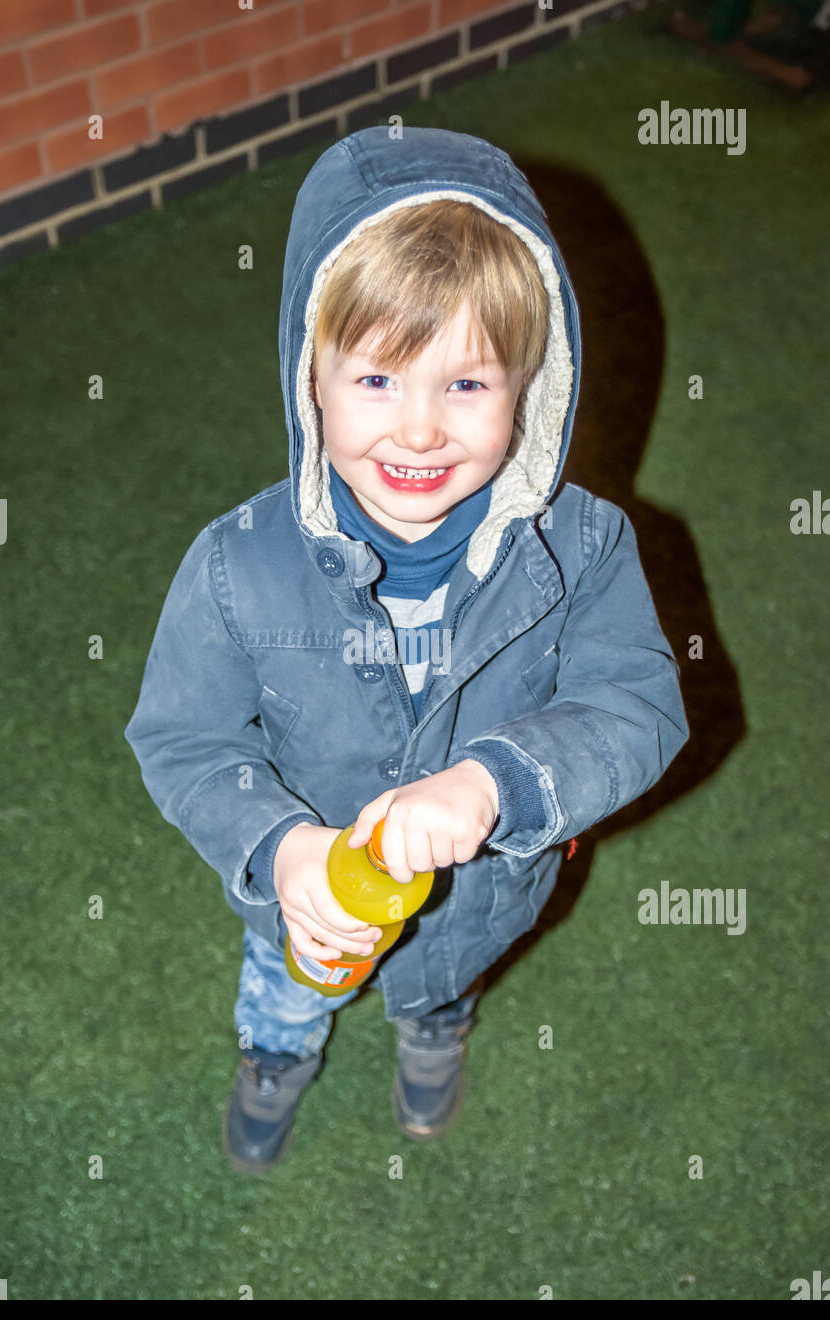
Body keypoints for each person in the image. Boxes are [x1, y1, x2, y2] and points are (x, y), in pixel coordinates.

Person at [124, 125, 689, 1176]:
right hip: (306, 894)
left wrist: (492, 783)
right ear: (312, 378)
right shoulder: (234, 564)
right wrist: (283, 849)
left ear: (532, 385)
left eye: (465, 384)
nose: (420, 429)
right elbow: (183, 740)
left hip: (476, 900)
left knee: (444, 980)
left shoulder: (587, 546)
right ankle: (276, 1053)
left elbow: (638, 706)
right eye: (378, 380)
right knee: (289, 983)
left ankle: (432, 1035)